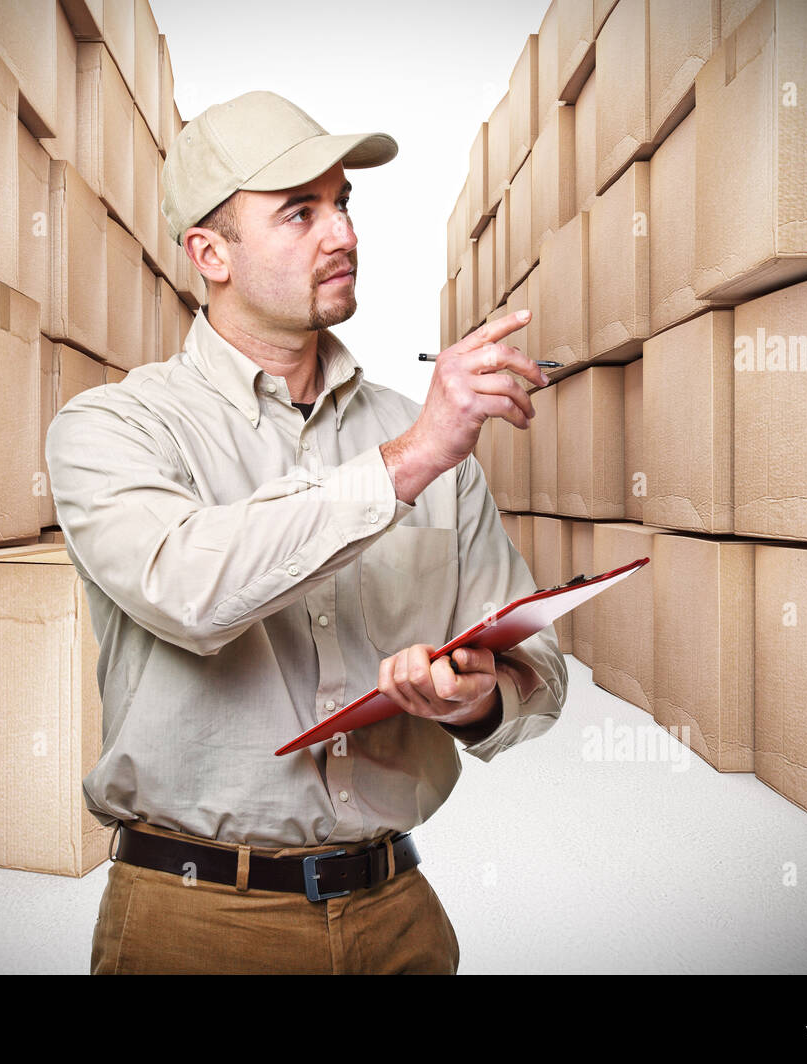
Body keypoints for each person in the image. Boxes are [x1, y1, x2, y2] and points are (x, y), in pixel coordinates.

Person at [45, 90, 567, 975]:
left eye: (344, 206)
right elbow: (189, 590)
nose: (344, 235)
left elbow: (540, 669)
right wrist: (405, 464)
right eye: (300, 212)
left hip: (398, 913)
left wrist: (478, 696)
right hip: (194, 925)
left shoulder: (426, 435)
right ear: (210, 254)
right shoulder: (114, 428)